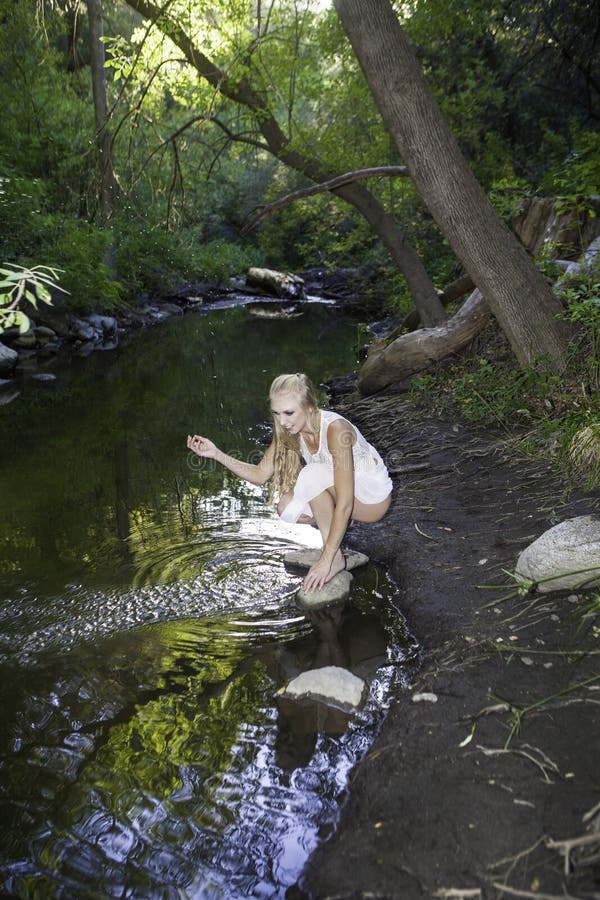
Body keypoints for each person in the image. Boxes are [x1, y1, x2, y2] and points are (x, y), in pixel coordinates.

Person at [187, 373, 392, 593]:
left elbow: (345, 503)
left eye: (289, 412)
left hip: (372, 498)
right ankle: (335, 536)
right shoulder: (288, 430)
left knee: (312, 475)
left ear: (310, 406)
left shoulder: (336, 430)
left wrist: (325, 559)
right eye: (276, 413)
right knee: (286, 507)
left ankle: (334, 558)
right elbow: (259, 475)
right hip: (343, 492)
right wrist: (217, 454)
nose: (282, 421)